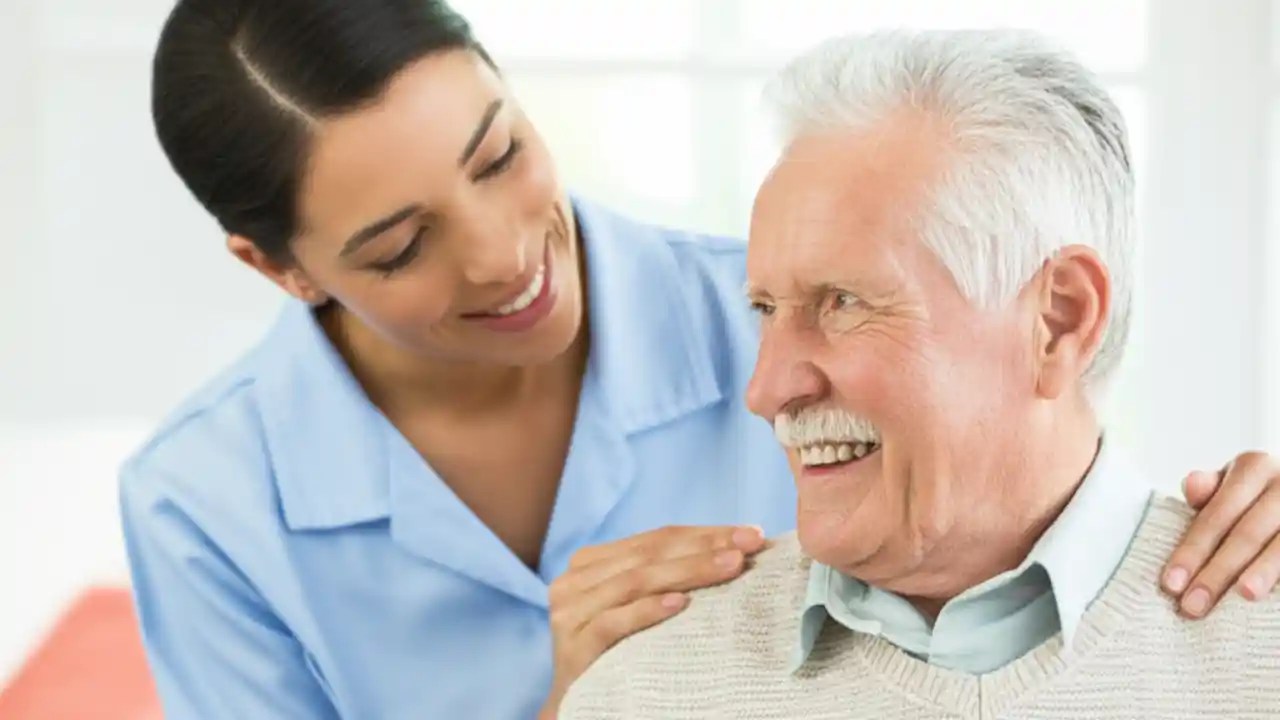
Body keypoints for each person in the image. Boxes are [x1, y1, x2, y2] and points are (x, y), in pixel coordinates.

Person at [120, 3, 1280, 719]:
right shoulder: (205, 503)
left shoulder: (781, 298)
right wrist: (577, 705)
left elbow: (1043, 462)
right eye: (400, 246)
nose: (504, 256)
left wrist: (1235, 520)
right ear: (282, 268)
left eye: (498, 155)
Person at [558, 29, 1280, 720]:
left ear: (1059, 319)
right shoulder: (643, 688)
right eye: (765, 309)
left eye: (843, 302)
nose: (767, 390)